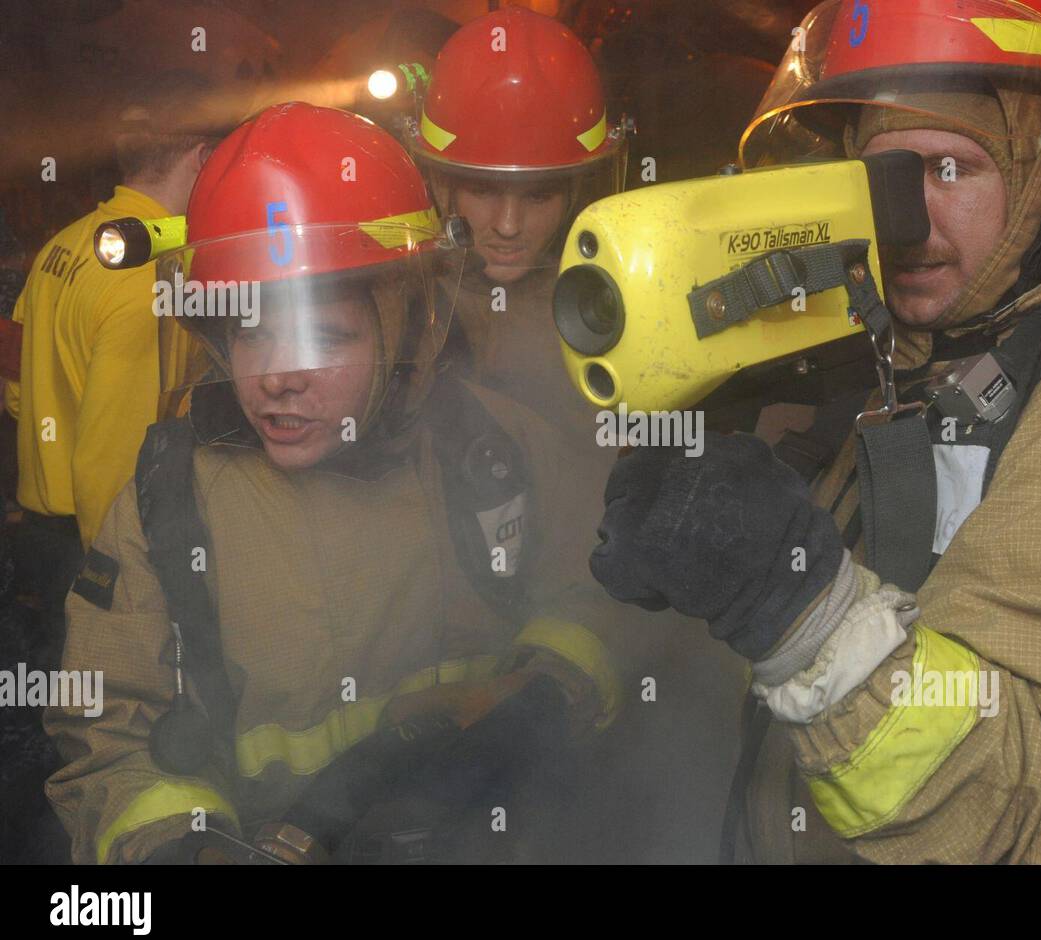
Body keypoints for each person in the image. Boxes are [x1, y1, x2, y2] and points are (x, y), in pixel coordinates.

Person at [590, 0, 1041, 863]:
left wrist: (800, 615)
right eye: (884, 177)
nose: (905, 219)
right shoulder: (899, 375)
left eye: (950, 168)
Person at [43, 103, 623, 865]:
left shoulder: (496, 448)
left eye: (327, 335)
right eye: (250, 328)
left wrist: (547, 696)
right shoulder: (166, 506)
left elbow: (607, 591)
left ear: (404, 323)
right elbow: (109, 733)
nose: (278, 375)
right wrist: (183, 848)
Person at [3, 73, 225, 628]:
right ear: (203, 158)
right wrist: (122, 583)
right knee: (122, 707)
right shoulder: (149, 270)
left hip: (45, 533)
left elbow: (17, 389)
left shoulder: (66, 241)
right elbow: (120, 458)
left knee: (66, 701)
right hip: (103, 542)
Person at [409, 7, 630, 445]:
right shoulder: (400, 308)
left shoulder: (622, 308)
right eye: (484, 190)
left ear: (576, 191)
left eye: (538, 194)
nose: (508, 226)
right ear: (437, 180)